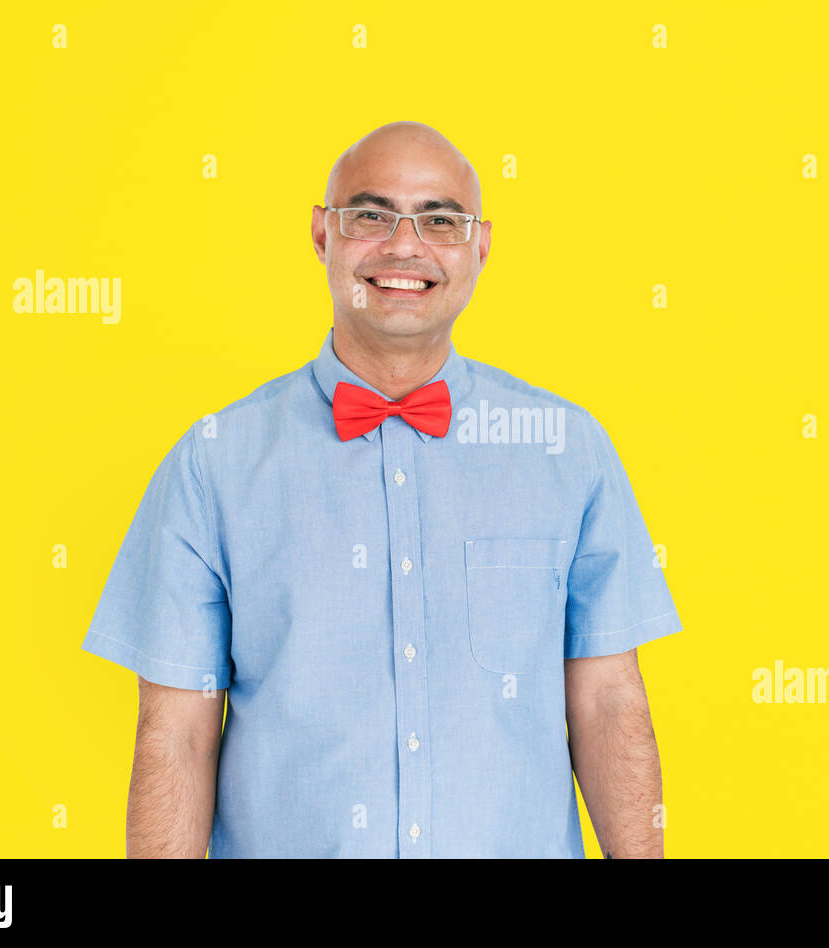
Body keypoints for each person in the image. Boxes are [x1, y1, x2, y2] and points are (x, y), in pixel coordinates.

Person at [82, 121, 682, 858]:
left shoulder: (568, 449)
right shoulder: (213, 465)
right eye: (369, 215)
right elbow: (175, 732)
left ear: (480, 245)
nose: (405, 246)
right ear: (320, 234)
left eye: (440, 220)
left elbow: (608, 701)